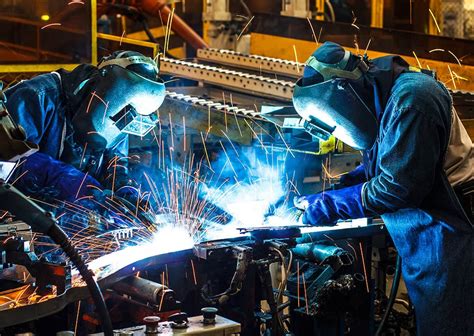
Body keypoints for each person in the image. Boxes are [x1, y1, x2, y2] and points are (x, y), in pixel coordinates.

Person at [293, 42, 473, 335]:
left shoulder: (413, 99)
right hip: (432, 240)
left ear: (344, 91)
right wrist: (341, 187)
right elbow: (392, 158)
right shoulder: (380, 97)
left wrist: (332, 205)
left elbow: (398, 186)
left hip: (456, 236)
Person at [5, 51, 165, 208]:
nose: (123, 118)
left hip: (61, 220)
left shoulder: (120, 118)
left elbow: (115, 164)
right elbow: (9, 158)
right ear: (105, 90)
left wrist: (125, 192)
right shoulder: (38, 96)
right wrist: (69, 180)